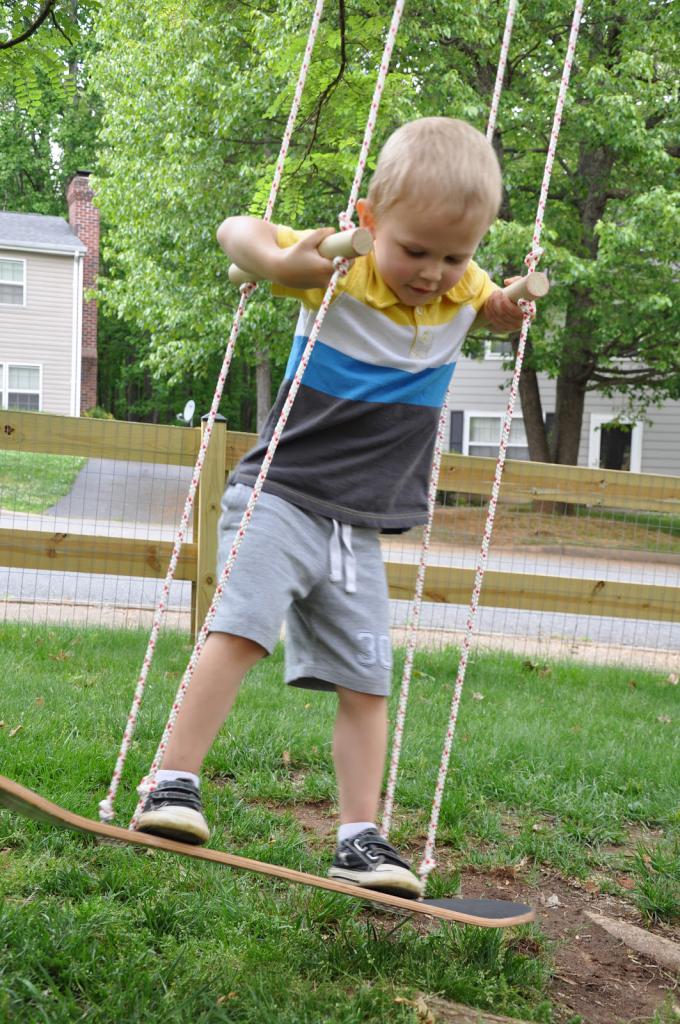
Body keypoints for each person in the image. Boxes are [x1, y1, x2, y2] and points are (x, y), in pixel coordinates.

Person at [137, 117, 525, 898]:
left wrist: (503, 309)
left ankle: (359, 837)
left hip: (360, 524)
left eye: (455, 255)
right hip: (280, 494)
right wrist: (283, 258)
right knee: (240, 631)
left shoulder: (463, 283)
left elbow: (483, 302)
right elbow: (234, 230)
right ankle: (171, 781)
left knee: (367, 681)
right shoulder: (332, 272)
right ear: (370, 221)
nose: (432, 273)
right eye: (415, 250)